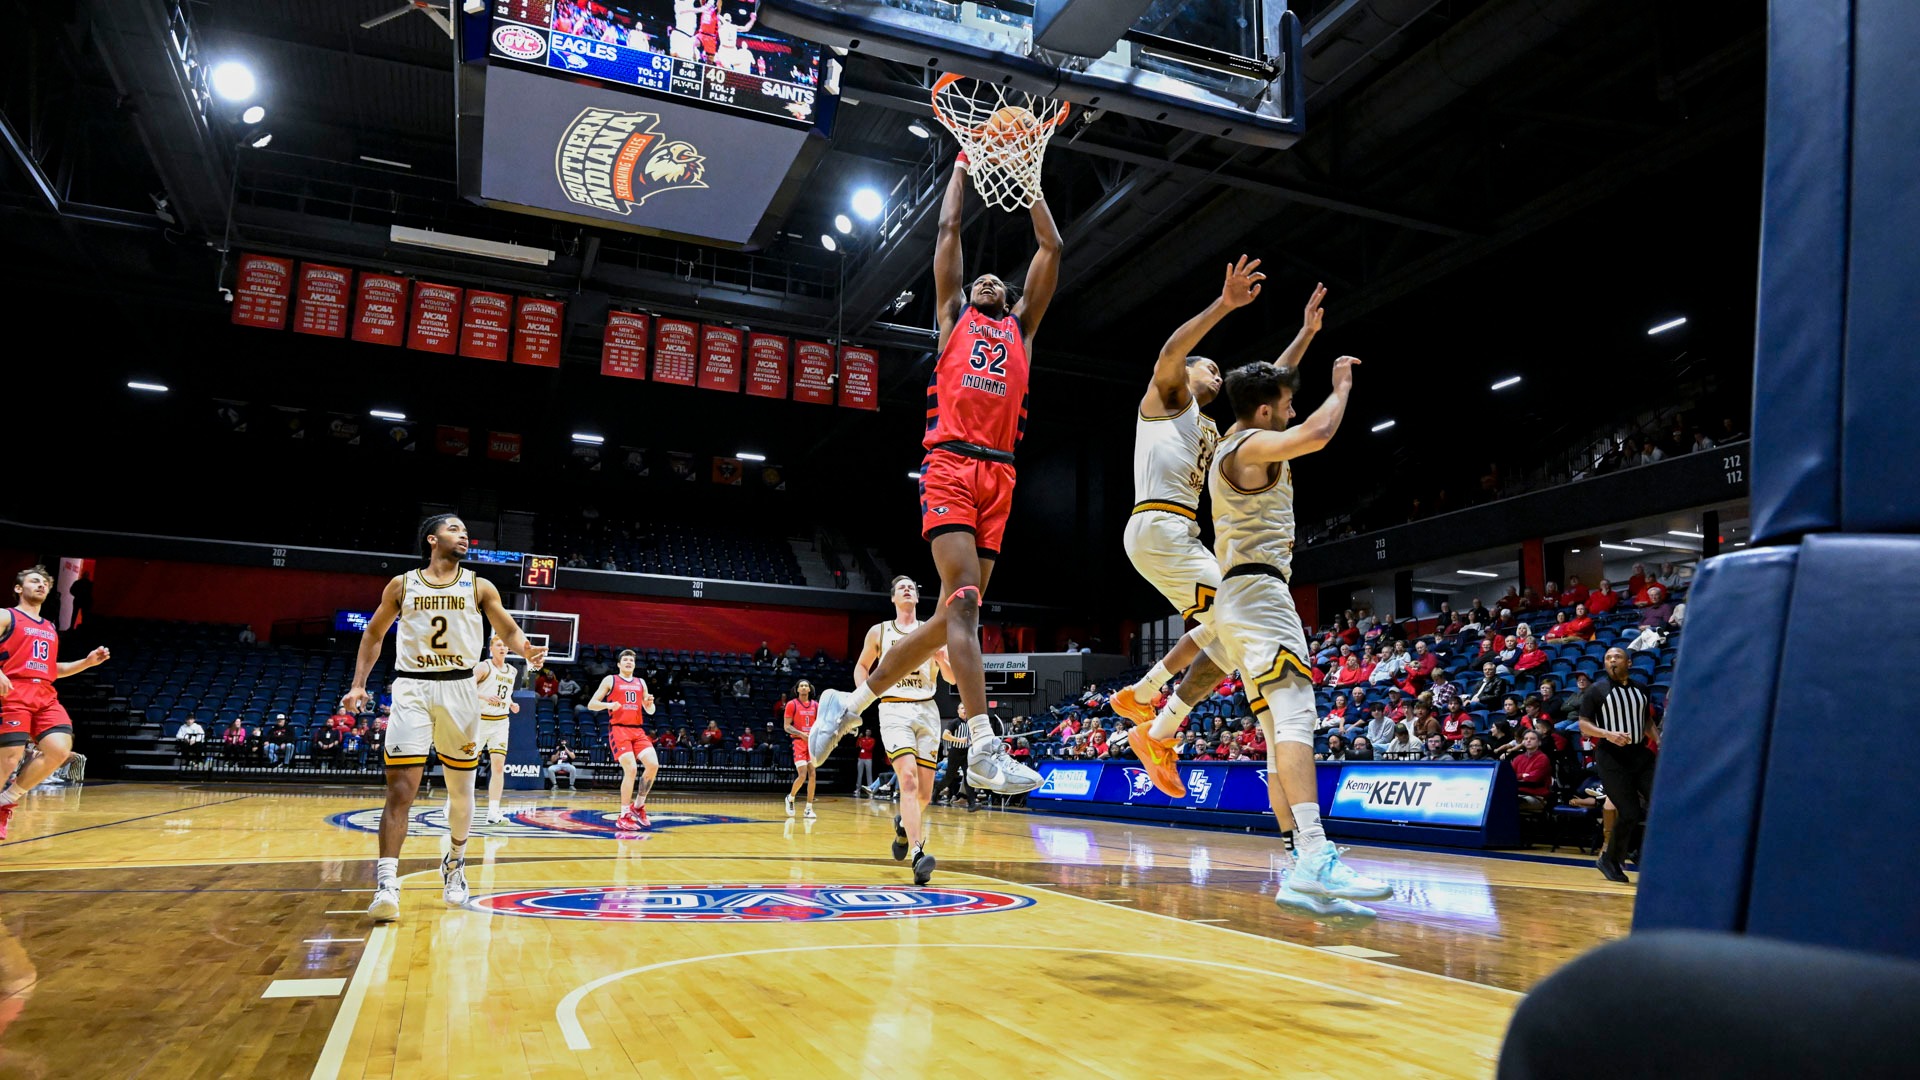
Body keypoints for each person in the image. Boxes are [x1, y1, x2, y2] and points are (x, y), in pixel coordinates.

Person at [807, 142, 1062, 802]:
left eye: (998, 284)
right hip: (949, 465)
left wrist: (1028, 180)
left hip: (1001, 477)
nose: (988, 283)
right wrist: (962, 168)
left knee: (941, 629)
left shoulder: (1022, 334)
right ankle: (982, 744)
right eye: (979, 282)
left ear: (1010, 299)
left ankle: (849, 702)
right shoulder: (952, 324)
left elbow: (1051, 250)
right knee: (965, 605)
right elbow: (949, 232)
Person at [1117, 268, 1322, 804]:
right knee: (1239, 616)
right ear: (1186, 373)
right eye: (1207, 365)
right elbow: (1171, 350)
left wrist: (1304, 335)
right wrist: (1225, 305)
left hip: (1175, 534)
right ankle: (1146, 703)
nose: (1216, 370)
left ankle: (1155, 720)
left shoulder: (1222, 430)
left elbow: (1268, 393)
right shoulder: (1166, 400)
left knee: (1230, 634)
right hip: (1160, 523)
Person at [1206, 351, 1390, 915]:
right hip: (1261, 596)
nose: (1293, 409)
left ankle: (1296, 866)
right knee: (1295, 721)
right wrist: (1341, 386)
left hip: (1239, 600)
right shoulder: (1254, 446)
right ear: (1264, 411)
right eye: (1285, 404)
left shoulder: (1236, 435)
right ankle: (1314, 853)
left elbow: (1262, 390)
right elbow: (1317, 432)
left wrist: (1306, 335)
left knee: (1273, 732)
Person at [341, 515, 548, 923]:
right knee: (401, 790)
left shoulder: (479, 585)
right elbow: (374, 634)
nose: (464, 534)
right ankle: (386, 883)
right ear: (432, 540)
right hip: (413, 687)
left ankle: (454, 863)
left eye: (466, 531)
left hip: (460, 690)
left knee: (460, 789)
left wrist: (527, 650)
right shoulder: (402, 584)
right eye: (454, 529)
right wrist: (358, 684)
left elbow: (507, 629)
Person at [853, 576, 957, 882]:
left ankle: (903, 827)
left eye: (913, 585)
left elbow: (950, 678)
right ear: (893, 598)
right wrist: (865, 696)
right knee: (908, 781)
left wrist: (941, 658)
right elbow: (862, 667)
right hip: (894, 708)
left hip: (927, 711)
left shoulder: (933, 631)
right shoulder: (880, 631)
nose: (908, 589)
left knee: (924, 794)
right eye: (902, 587)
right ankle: (918, 853)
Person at [0, 566, 110, 837]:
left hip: (45, 695)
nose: (40, 586)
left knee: (60, 750)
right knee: (8, 759)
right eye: (34, 581)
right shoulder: (5, 616)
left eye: (45, 584)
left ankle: (6, 801)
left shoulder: (49, 627)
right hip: (14, 691)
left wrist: (86, 662)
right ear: (18, 588)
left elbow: (51, 670)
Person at [1577, 647, 1659, 883]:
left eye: (1617, 657)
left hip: (1640, 755)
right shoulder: (1596, 690)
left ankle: (1638, 850)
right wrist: (1607, 733)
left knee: (1662, 804)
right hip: (1612, 758)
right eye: (1608, 658)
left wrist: (1660, 740)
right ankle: (1610, 860)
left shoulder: (1642, 689)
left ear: (1629, 663)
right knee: (1630, 812)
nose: (1612, 660)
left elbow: (1646, 721)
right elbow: (1583, 724)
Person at [589, 650, 658, 830]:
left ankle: (638, 806)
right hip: (619, 729)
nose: (628, 662)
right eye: (625, 660)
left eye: (631, 660)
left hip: (637, 730)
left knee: (653, 765)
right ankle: (624, 814)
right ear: (619, 664)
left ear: (634, 665)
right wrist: (608, 705)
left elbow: (650, 711)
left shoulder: (641, 682)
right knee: (631, 769)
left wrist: (649, 705)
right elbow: (591, 704)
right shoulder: (610, 680)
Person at [475, 636, 522, 825]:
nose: (503, 648)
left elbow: (506, 692)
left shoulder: (512, 670)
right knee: (468, 767)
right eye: (499, 645)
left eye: (505, 645)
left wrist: (511, 703)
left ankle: (493, 812)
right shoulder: (483, 667)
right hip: (479, 721)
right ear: (491, 648)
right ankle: (452, 803)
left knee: (498, 766)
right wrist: (484, 696)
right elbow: (464, 687)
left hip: (501, 722)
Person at [782, 680, 819, 818]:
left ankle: (809, 808)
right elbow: (787, 726)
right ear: (797, 689)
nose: (804, 687)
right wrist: (801, 734)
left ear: (810, 689)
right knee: (802, 775)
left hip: (812, 742)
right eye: (801, 686)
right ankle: (790, 798)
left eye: (806, 686)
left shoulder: (816, 705)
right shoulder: (792, 704)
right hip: (799, 742)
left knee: (813, 774)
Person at [1509, 729, 1553, 811]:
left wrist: (1517, 777)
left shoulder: (1543, 758)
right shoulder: (1518, 758)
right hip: (1517, 794)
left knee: (1508, 803)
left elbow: (1533, 779)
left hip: (1536, 796)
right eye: (1526, 739)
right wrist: (1522, 775)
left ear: (1539, 742)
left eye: (1532, 739)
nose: (1528, 741)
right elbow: (1508, 776)